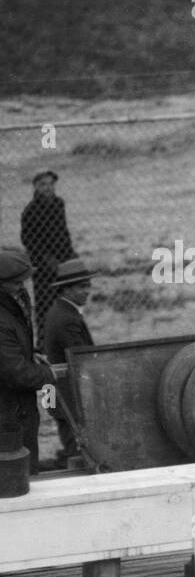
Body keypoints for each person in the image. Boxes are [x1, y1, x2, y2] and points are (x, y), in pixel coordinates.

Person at [0, 248, 57, 475]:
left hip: (19, 407)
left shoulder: (15, 300)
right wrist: (49, 375)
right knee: (16, 473)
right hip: (7, 411)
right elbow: (16, 373)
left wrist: (30, 352)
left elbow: (14, 339)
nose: (22, 287)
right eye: (15, 283)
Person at [42, 258, 96, 466]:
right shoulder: (67, 318)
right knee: (79, 452)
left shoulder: (60, 311)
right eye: (82, 287)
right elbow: (82, 357)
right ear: (66, 290)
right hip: (67, 393)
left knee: (73, 443)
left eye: (88, 285)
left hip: (57, 391)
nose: (87, 291)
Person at [20, 170, 78, 340]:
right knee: (45, 306)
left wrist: (70, 255)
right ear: (36, 187)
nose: (48, 188)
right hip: (43, 266)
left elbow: (63, 232)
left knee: (67, 302)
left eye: (51, 184)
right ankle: (45, 342)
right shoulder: (31, 210)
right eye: (43, 184)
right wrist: (47, 260)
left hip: (62, 260)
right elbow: (28, 240)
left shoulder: (58, 204)